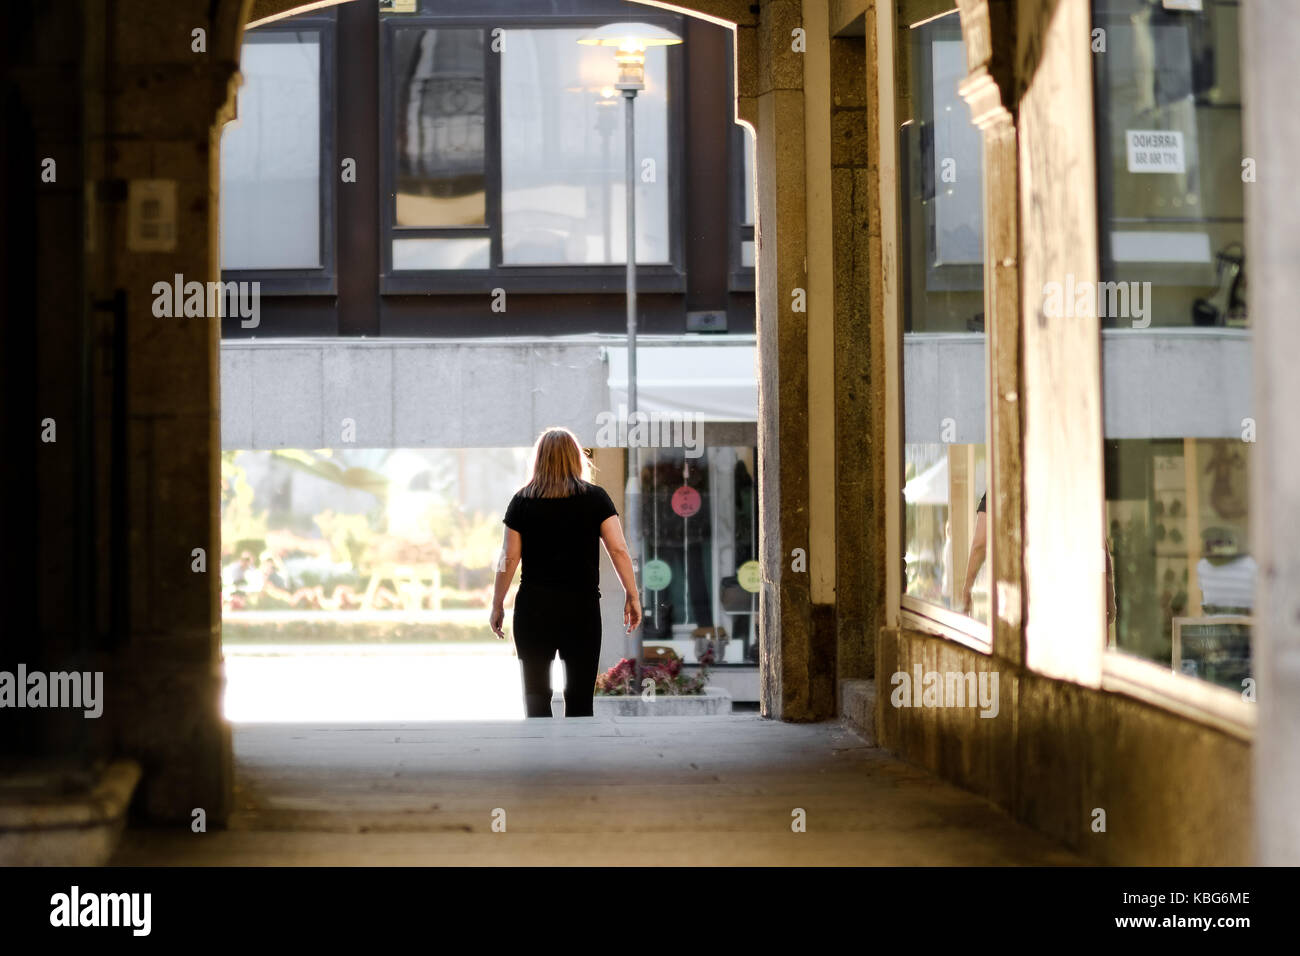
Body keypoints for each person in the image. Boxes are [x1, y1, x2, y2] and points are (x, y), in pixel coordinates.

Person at [489, 427, 642, 717]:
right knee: (581, 699)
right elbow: (619, 549)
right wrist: (632, 594)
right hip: (581, 609)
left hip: (534, 609)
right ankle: (580, 760)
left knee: (535, 698)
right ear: (576, 458)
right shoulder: (596, 498)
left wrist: (497, 604)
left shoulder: (522, 500)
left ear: (539, 460)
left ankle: (540, 759)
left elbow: (508, 558)